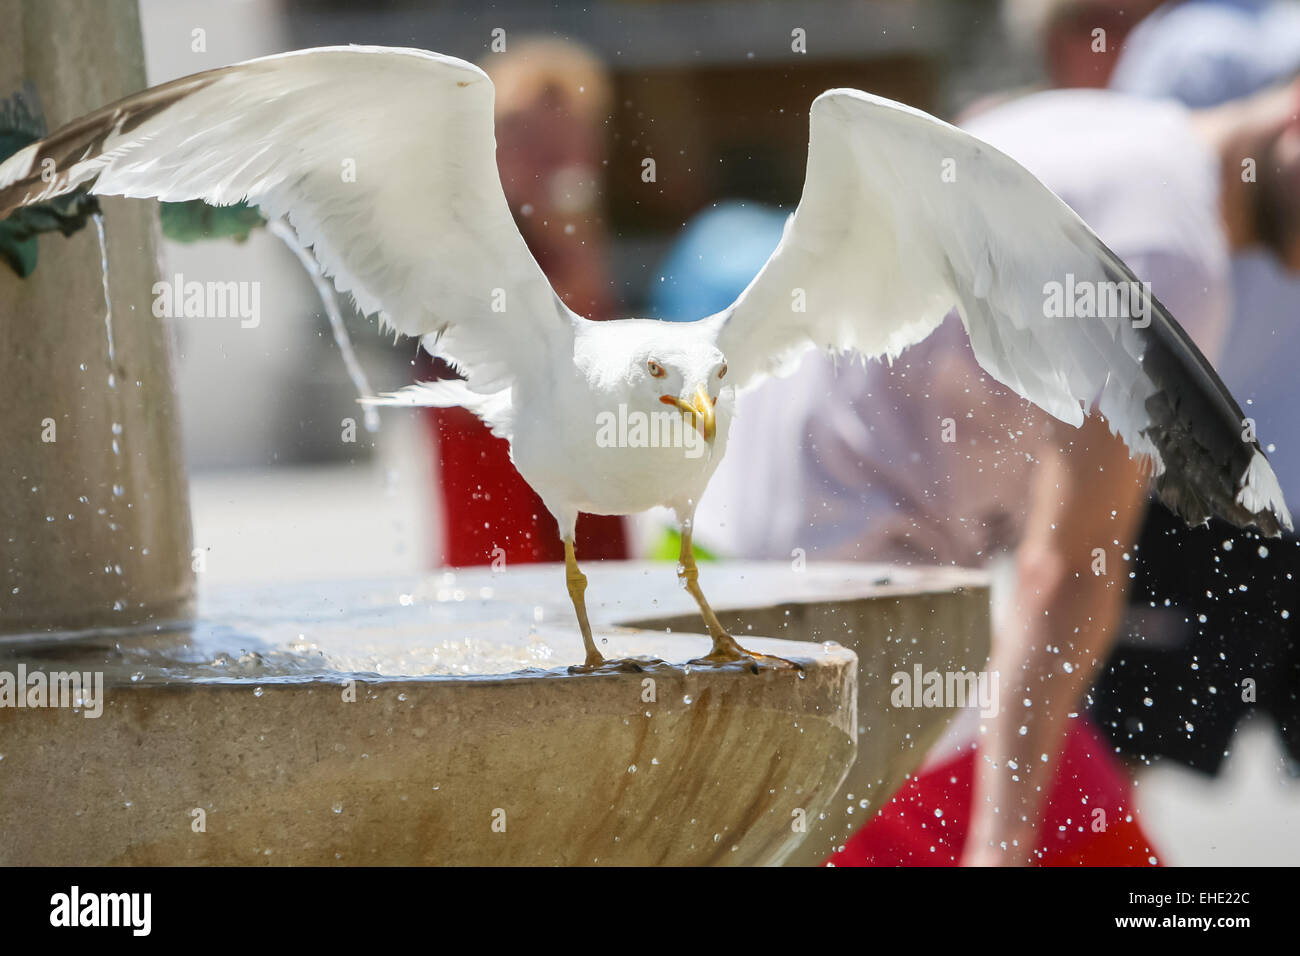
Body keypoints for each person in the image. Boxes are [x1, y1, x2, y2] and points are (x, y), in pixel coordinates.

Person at [417, 38, 629, 567]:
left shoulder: (576, 232)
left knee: (605, 582)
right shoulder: (462, 228)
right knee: (497, 577)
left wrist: (574, 241)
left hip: (581, 443)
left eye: (568, 134)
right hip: (485, 437)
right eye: (526, 135)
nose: (549, 155)